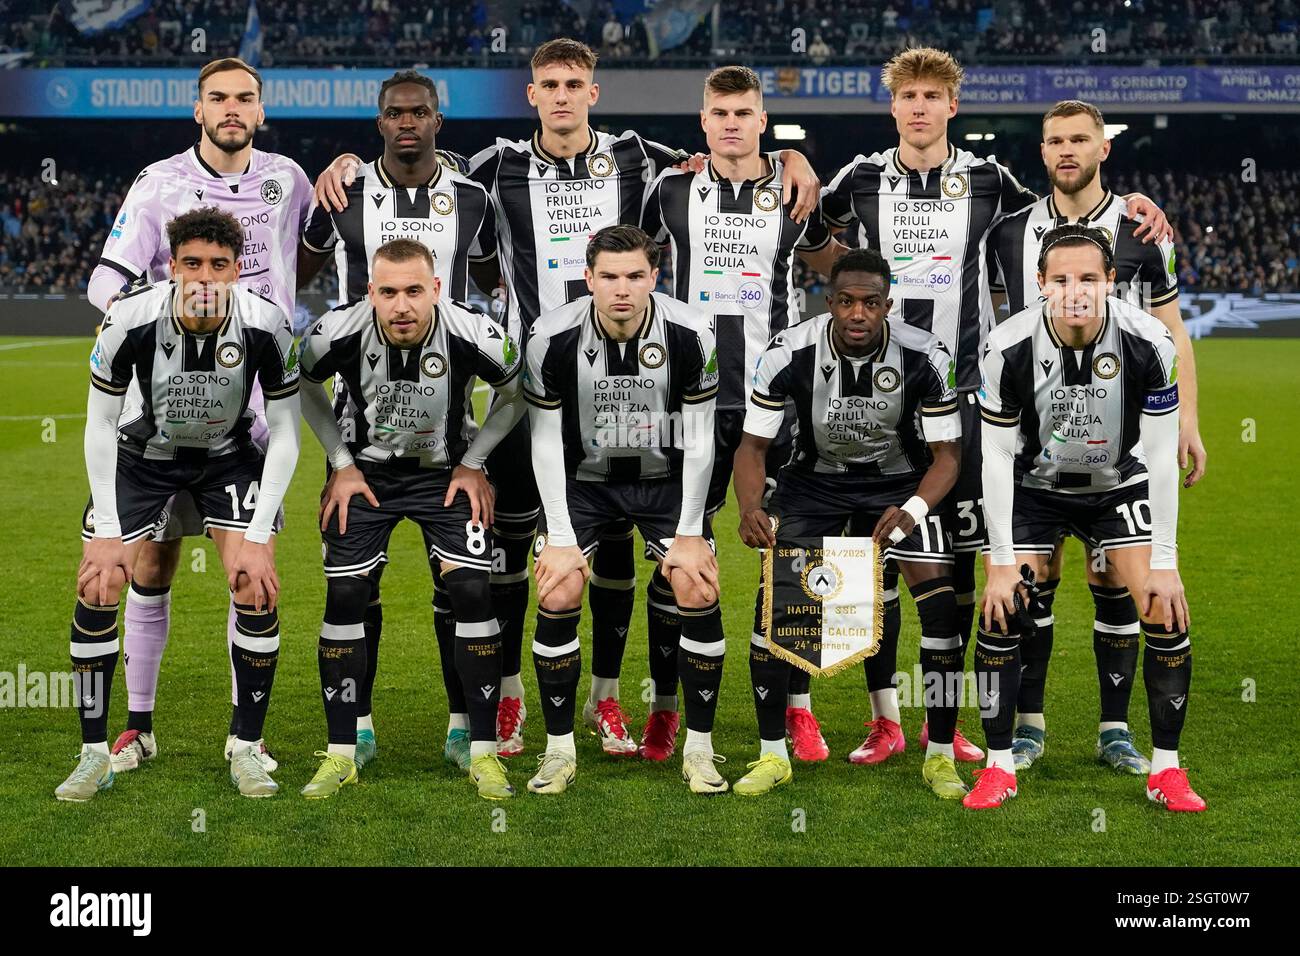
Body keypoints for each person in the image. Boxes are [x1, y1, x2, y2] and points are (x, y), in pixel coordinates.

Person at [820, 46, 1171, 765]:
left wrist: (1134, 202)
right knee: (866, 566)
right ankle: (883, 718)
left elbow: (1067, 204)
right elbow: (811, 233)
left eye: (932, 96)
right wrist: (793, 167)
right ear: (893, 106)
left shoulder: (991, 182)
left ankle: (950, 724)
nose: (919, 108)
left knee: (962, 570)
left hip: (967, 406)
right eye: (908, 96)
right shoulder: (857, 179)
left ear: (953, 106)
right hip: (875, 405)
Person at [88, 57, 312, 776]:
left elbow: (314, 248)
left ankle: (246, 738)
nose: (232, 108)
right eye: (218, 98)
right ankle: (138, 727)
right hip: (161, 415)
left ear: (261, 109)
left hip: (249, 420)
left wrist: (347, 167)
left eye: (244, 97)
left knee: (250, 574)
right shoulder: (159, 183)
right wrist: (160, 324)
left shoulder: (290, 180)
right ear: (199, 110)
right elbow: (105, 282)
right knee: (151, 566)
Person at [986, 99, 1206, 773]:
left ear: (1103, 148)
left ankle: (1115, 731)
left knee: (1114, 581)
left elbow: (1171, 329)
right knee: (1032, 587)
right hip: (1037, 444)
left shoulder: (1143, 229)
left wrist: (1188, 419)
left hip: (1125, 440)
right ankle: (1028, 728)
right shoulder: (1010, 232)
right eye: (1055, 140)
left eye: (1080, 139)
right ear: (1043, 151)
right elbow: (1000, 329)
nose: (1067, 150)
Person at [640, 64, 849, 762]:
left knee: (799, 557)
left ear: (763, 121)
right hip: (688, 401)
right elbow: (628, 259)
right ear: (703, 123)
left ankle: (799, 709)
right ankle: (664, 708)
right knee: (676, 556)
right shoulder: (670, 190)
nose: (731, 123)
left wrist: (798, 161)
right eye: (719, 113)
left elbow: (836, 264)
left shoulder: (794, 191)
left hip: (776, 403)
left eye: (743, 113)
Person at [58, 207, 301, 801]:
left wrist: (260, 538)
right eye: (192, 263)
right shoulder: (129, 318)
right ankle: (96, 753)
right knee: (100, 582)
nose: (204, 277)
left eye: (219, 264)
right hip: (143, 457)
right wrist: (108, 530)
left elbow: (287, 434)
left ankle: (246, 746)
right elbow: (100, 424)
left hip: (228, 457)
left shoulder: (267, 323)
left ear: (237, 270)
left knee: (254, 584)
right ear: (171, 266)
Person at [298, 69, 502, 772]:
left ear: (437, 121)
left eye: (419, 112)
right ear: (379, 121)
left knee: (465, 585)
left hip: (449, 419)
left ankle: (467, 729)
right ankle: (353, 730)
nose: (407, 122)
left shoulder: (472, 198)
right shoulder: (342, 192)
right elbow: (300, 271)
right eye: (395, 113)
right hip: (362, 422)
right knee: (354, 587)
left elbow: (497, 278)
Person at [297, 239, 525, 800]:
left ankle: (476, 745)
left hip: (445, 474)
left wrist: (475, 462)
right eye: (389, 292)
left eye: (415, 291)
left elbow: (517, 391)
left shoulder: (475, 333)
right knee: (347, 595)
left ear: (437, 289)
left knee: (471, 590)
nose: (402, 306)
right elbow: (302, 385)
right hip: (364, 476)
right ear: (370, 292)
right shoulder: (336, 332)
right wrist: (340, 463)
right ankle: (346, 746)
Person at [732, 249, 965, 799]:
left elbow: (948, 456)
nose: (858, 314)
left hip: (900, 486)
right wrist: (749, 508)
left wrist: (914, 509)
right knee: (777, 608)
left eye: (871, 303)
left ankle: (939, 755)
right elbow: (753, 446)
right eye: (845, 301)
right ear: (829, 302)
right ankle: (772, 755)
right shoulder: (788, 351)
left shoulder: (926, 354)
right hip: (812, 485)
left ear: (888, 305)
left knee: (940, 605)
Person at [523, 225, 725, 795]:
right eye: (609, 276)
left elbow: (700, 437)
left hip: (663, 481)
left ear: (654, 277)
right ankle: (559, 751)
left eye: (635, 276)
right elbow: (544, 440)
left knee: (696, 586)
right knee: (558, 590)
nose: (622, 289)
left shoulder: (692, 332)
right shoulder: (549, 337)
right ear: (588, 278)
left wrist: (691, 532)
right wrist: (559, 536)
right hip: (583, 483)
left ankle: (700, 749)